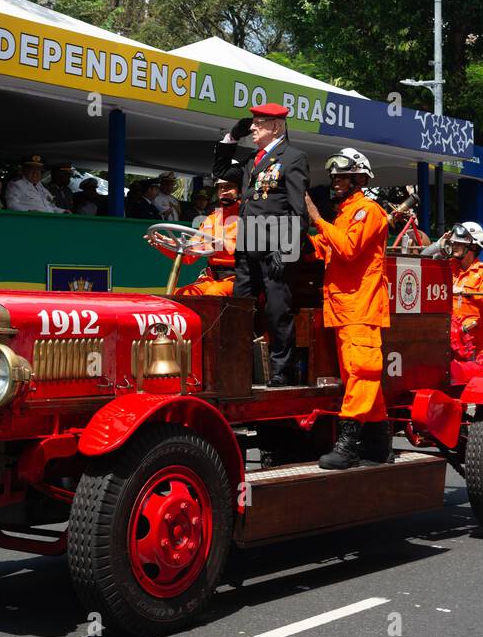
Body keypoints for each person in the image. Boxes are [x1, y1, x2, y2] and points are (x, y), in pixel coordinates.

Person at [304, 149, 392, 470]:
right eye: (335, 177)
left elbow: (349, 248)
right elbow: (326, 248)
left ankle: (350, 445)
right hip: (344, 309)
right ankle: (380, 444)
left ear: (359, 179)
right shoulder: (343, 215)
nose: (336, 182)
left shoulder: (367, 211)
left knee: (361, 373)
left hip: (361, 308)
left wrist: (317, 219)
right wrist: (305, 237)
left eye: (343, 177)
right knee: (360, 376)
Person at [212, 103, 309, 386]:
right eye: (251, 123)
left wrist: (288, 250)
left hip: (275, 244)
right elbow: (219, 169)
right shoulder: (253, 159)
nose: (252, 128)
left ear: (276, 127)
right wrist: (231, 136)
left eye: (258, 123)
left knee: (277, 310)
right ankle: (237, 365)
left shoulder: (292, 157)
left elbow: (297, 210)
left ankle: (281, 369)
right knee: (239, 307)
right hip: (248, 242)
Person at [148, 169, 242, 297]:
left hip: (238, 278)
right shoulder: (211, 218)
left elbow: (243, 250)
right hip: (212, 278)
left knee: (213, 294)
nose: (224, 190)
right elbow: (189, 256)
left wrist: (220, 244)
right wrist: (165, 244)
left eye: (229, 187)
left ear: (240, 190)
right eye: (221, 187)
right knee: (183, 294)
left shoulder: (248, 216)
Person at [423, 221, 483, 376]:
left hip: (476, 345)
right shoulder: (449, 266)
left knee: (480, 389)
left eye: (459, 243)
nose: (454, 246)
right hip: (451, 340)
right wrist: (438, 246)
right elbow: (422, 260)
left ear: (473, 247)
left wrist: (464, 291)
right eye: (454, 243)